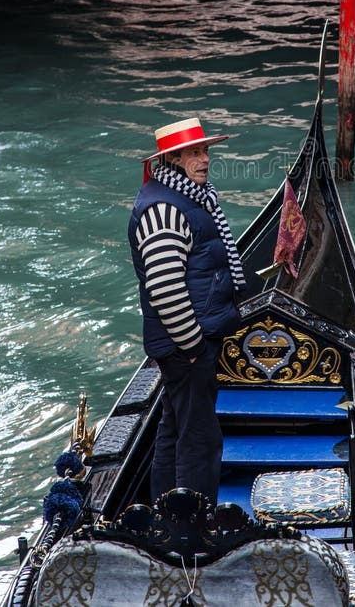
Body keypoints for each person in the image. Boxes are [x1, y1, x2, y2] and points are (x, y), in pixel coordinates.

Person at [128, 117, 245, 506]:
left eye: (205, 150)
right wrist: (193, 344)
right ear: (173, 159)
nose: (205, 158)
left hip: (187, 339)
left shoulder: (186, 197)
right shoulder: (164, 211)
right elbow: (164, 289)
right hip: (185, 342)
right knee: (199, 437)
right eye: (195, 152)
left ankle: (166, 514)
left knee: (175, 428)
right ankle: (192, 532)